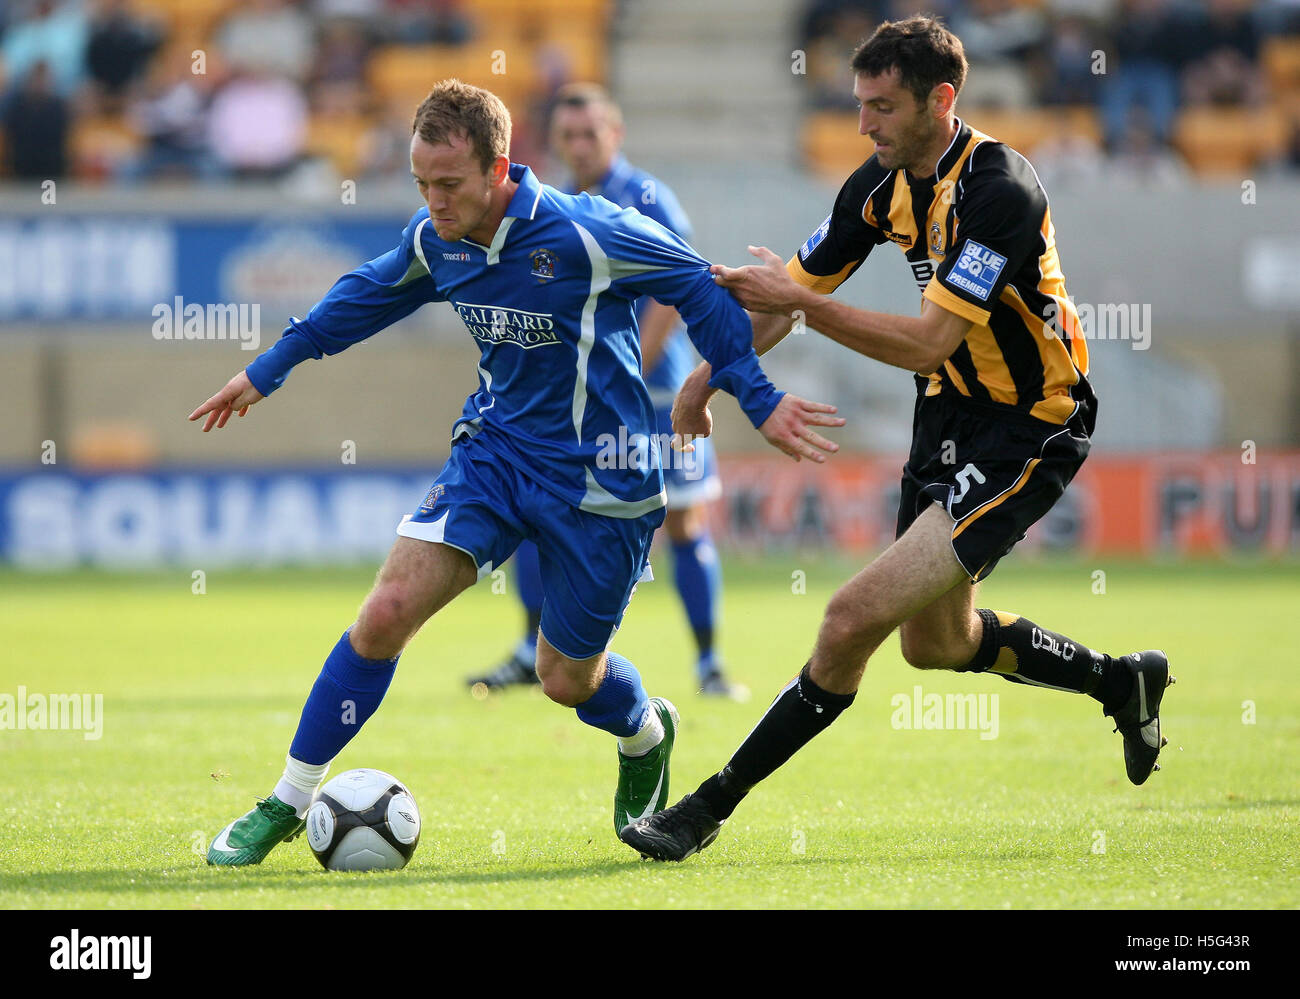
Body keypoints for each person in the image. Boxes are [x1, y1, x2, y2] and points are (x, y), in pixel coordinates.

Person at [191, 80, 842, 865]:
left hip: (605, 478)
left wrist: (755, 395)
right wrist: (269, 368)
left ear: (501, 167)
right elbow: (363, 294)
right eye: (421, 183)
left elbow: (697, 285)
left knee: (566, 678)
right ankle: (287, 800)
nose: (433, 201)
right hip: (494, 455)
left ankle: (644, 732)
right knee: (387, 609)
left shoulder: (587, 230)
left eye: (450, 184)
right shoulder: (440, 238)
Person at [620, 16, 1174, 863]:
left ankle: (703, 808)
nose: (864, 124)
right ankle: (1119, 680)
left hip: (1032, 423)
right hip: (946, 419)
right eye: (859, 104)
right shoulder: (877, 187)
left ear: (939, 100)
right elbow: (785, 294)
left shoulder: (1003, 191)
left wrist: (800, 306)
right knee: (935, 643)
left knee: (849, 621)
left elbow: (925, 341)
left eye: (881, 106)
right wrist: (706, 378)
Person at [466, 83, 745, 699]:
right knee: (536, 512)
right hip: (583, 401)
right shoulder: (553, 202)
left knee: (682, 521)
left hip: (660, 390)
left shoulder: (645, 197)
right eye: (568, 136)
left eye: (590, 133)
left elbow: (681, 286)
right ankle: (528, 646)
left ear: (614, 135)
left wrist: (632, 367)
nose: (579, 145)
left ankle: (709, 663)